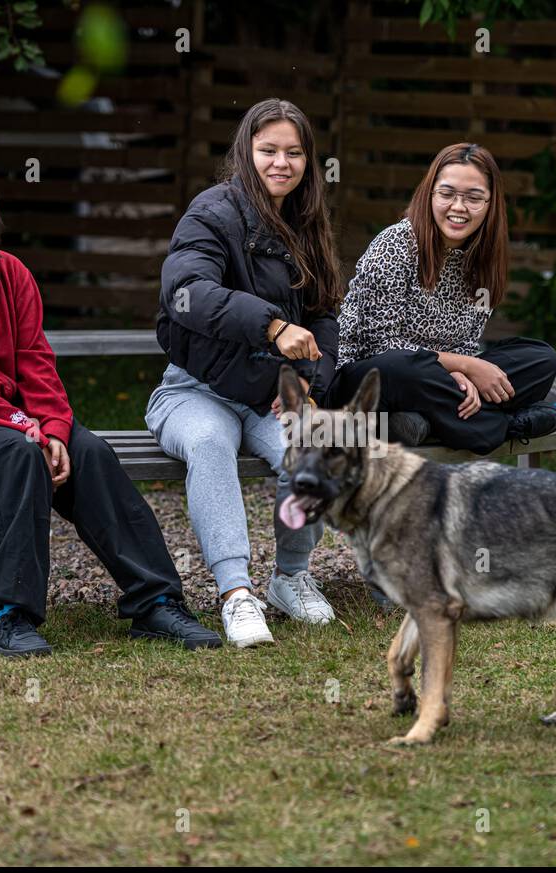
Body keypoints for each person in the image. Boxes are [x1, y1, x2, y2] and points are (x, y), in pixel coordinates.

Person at [0, 150, 221, 656]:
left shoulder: (10, 273)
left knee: (93, 454)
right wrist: (28, 428)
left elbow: (37, 362)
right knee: (16, 456)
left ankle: (157, 603)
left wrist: (56, 428)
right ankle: (9, 616)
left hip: (18, 420)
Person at [146, 99, 342, 648]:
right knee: (209, 442)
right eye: (268, 151)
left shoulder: (306, 221)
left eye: (294, 152)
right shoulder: (212, 212)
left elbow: (326, 313)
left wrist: (306, 383)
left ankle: (289, 578)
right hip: (195, 390)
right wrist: (273, 327)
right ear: (245, 152)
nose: (281, 163)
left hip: (268, 392)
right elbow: (186, 294)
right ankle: (236, 593)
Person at [330, 143, 556, 455]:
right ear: (430, 194)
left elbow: (467, 343)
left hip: (435, 381)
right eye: (447, 193)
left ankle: (421, 422)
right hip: (368, 378)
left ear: (491, 204)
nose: (458, 207)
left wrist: (460, 372)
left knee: (541, 360)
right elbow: (378, 345)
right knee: (404, 370)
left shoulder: (484, 260)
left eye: (473, 197)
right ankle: (506, 426)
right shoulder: (395, 245)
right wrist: (463, 367)